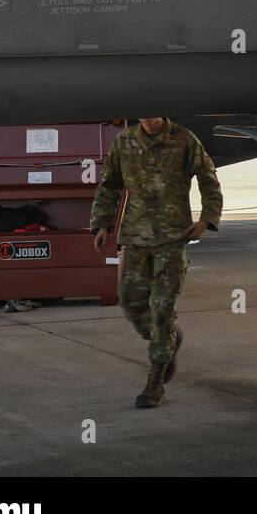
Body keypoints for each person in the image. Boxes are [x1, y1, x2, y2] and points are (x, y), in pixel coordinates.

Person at [90, 118, 222, 409]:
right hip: (135, 237)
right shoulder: (124, 141)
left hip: (173, 237)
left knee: (161, 308)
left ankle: (155, 381)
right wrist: (101, 223)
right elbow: (109, 184)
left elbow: (208, 177)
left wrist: (207, 218)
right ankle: (170, 338)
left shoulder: (184, 139)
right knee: (130, 302)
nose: (149, 118)